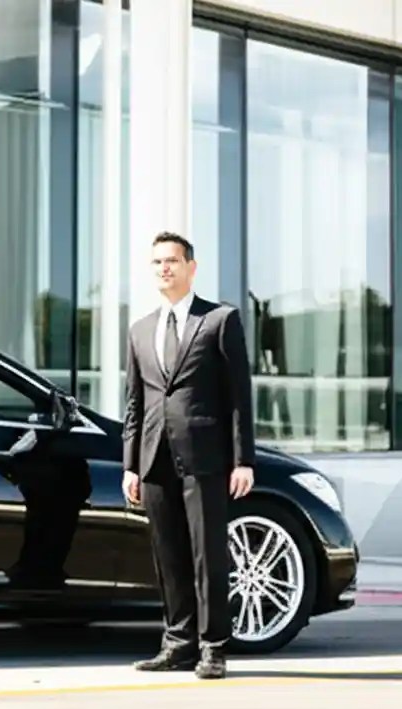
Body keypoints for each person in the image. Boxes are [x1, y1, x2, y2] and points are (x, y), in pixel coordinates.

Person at [122, 231, 255, 680]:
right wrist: (130, 465)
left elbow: (239, 396)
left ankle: (213, 646)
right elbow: (135, 403)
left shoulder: (219, 320)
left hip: (206, 458)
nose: (165, 268)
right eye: (158, 262)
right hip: (154, 457)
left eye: (173, 261)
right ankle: (177, 643)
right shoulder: (140, 329)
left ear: (190, 268)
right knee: (169, 556)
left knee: (207, 556)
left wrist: (243, 460)